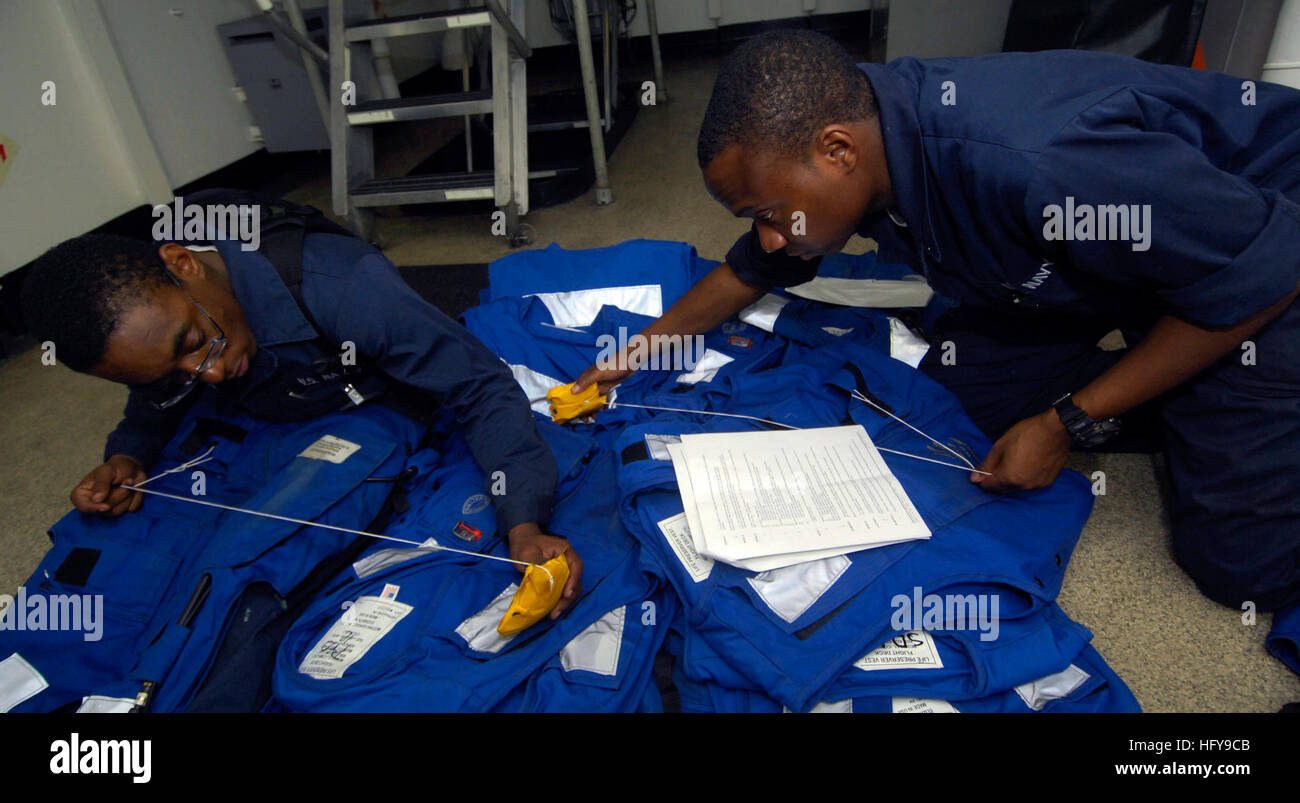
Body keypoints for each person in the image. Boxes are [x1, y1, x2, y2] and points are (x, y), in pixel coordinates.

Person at [571, 30, 1300, 613]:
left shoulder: (1038, 163)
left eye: (766, 213)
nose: (768, 234)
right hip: (1116, 254)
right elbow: (750, 271)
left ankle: (1199, 379)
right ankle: (1173, 375)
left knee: (1239, 566)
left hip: (1269, 246)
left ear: (836, 150)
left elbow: (1267, 271)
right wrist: (630, 356)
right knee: (963, 406)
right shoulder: (867, 147)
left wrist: (1069, 421)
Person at [21, 208, 583, 616]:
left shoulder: (346, 289)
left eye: (195, 341)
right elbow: (151, 397)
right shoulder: (167, 335)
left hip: (364, 408)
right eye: (175, 373)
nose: (209, 374)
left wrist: (524, 522)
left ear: (184, 264)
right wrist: (127, 454)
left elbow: (480, 387)